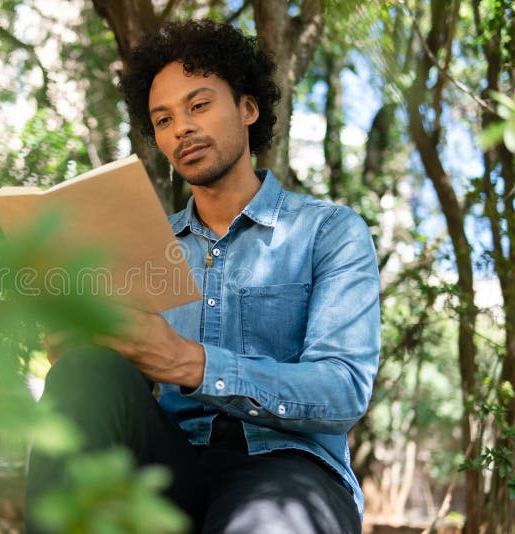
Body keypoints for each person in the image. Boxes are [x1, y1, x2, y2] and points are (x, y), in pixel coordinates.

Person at [26, 19, 380, 534]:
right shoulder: (143, 247)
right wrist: (85, 353)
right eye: (163, 119)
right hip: (169, 465)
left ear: (248, 108)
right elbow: (121, 390)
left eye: (199, 105)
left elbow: (343, 391)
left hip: (287, 467)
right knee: (84, 371)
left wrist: (189, 361)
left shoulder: (328, 232)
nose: (181, 129)